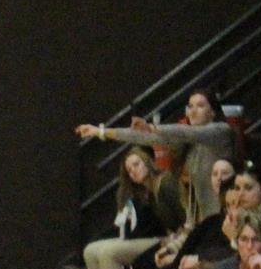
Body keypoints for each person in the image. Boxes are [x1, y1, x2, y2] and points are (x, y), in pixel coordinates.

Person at [78, 84, 240, 223]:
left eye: (200, 105)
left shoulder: (221, 131)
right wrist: (101, 131)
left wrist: (152, 126)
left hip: (227, 216)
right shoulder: (189, 142)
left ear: (212, 112)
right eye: (190, 106)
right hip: (205, 220)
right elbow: (144, 136)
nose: (193, 111)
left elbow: (185, 132)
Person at [83, 147, 183, 269]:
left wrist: (177, 236)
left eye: (136, 165)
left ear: (147, 161)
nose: (133, 171)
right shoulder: (136, 192)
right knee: (91, 250)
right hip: (146, 236)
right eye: (129, 170)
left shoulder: (165, 182)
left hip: (164, 236)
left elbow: (181, 215)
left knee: (109, 253)